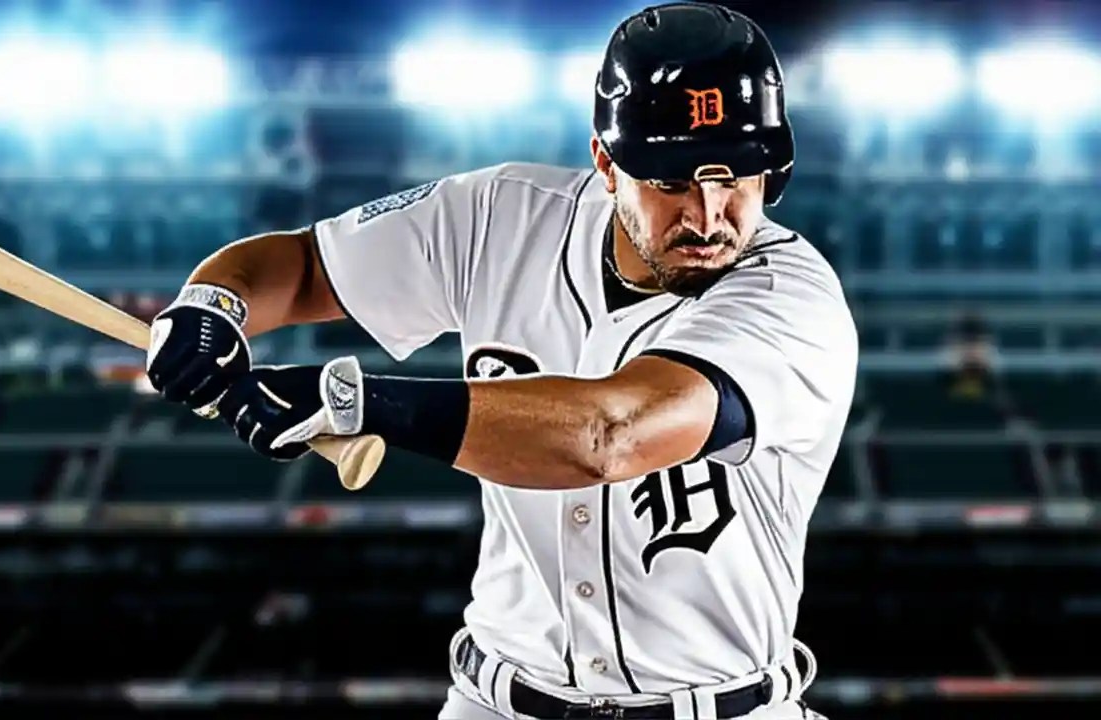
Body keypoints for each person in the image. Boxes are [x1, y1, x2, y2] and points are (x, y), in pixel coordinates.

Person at [144, 3, 858, 718]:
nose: (706, 215)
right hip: (500, 698)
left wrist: (363, 403)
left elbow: (610, 435)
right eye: (671, 182)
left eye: (735, 176)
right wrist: (213, 306)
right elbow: (303, 267)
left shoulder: (790, 297)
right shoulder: (499, 217)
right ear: (607, 164)